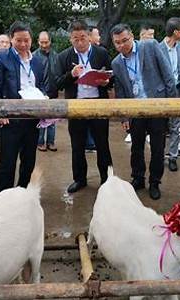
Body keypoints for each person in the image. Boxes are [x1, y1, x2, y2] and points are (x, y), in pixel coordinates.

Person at [111, 23, 175, 200]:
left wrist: (171, 106)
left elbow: (168, 75)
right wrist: (124, 116)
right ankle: (138, 178)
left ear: (132, 36)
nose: (122, 45)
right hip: (135, 110)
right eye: (117, 42)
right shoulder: (116, 63)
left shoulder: (150, 46)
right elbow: (121, 91)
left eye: (125, 40)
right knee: (136, 147)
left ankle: (155, 182)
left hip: (157, 106)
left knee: (157, 147)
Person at [54, 20, 113, 193]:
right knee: (77, 145)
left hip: (98, 105)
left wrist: (106, 82)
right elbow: (57, 83)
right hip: (77, 106)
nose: (80, 42)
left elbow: (111, 77)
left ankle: (107, 179)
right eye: (75, 39)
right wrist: (71, 74)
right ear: (70, 39)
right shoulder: (64, 57)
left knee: (103, 144)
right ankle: (79, 179)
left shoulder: (101, 53)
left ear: (89, 36)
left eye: (83, 38)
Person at [0, 21, 45, 194]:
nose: (23, 44)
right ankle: (2, 199)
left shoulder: (37, 61)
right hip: (11, 118)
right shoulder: (1, 58)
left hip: (31, 118)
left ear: (31, 39)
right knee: (7, 162)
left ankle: (23, 194)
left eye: (26, 40)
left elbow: (42, 85)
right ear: (11, 39)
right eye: (19, 40)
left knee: (28, 161)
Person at [159, 17, 180, 172]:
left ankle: (172, 156)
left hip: (178, 91)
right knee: (160, 126)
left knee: (175, 126)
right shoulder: (157, 48)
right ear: (175, 32)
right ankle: (158, 156)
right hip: (162, 93)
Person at [34, 31, 59, 152]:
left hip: (53, 91)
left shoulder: (56, 55)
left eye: (46, 42)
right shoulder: (34, 56)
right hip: (39, 92)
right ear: (38, 42)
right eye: (41, 42)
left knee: (52, 119)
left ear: (50, 41)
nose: (44, 45)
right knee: (41, 118)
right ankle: (40, 142)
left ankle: (51, 142)